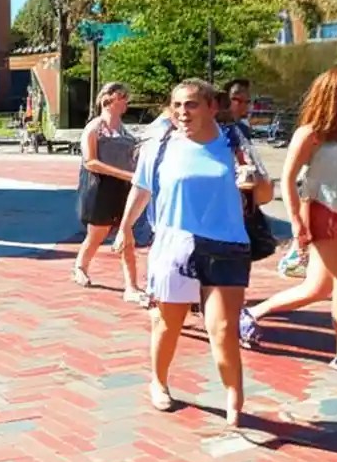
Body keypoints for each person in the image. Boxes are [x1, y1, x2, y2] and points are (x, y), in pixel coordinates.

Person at [115, 79, 273, 427]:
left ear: (212, 107)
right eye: (177, 106)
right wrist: (125, 227)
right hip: (174, 245)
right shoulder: (160, 147)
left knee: (222, 328)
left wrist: (253, 182)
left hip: (227, 246)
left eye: (192, 105)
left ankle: (234, 397)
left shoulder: (234, 145)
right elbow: (142, 190)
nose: (183, 113)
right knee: (167, 324)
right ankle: (158, 381)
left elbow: (264, 196)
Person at [238, 65, 337, 384]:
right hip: (324, 217)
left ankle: (249, 315)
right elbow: (289, 179)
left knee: (319, 288)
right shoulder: (310, 133)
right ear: (336, 95)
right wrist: (296, 222)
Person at [73, 82, 144, 303]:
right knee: (97, 234)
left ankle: (131, 286)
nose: (126, 102)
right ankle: (80, 267)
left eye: (126, 97)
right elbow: (90, 162)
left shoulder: (124, 130)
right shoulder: (95, 128)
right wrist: (125, 174)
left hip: (123, 188)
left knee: (127, 232)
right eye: (122, 97)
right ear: (108, 100)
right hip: (100, 188)